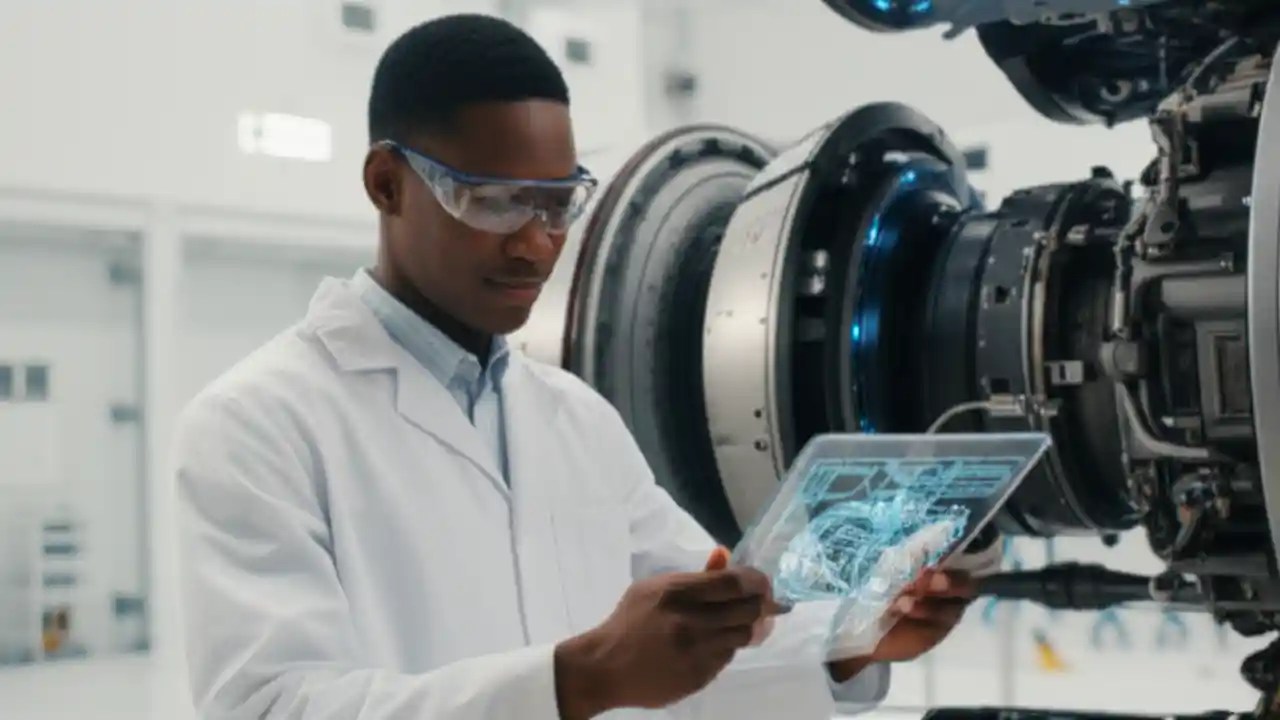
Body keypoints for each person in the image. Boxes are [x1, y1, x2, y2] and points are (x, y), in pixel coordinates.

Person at [172, 13, 993, 720]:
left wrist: (854, 636)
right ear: (387, 184)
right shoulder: (257, 426)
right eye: (495, 202)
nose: (537, 244)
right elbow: (273, 705)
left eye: (558, 203)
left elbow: (699, 645)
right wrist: (576, 679)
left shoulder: (576, 419)